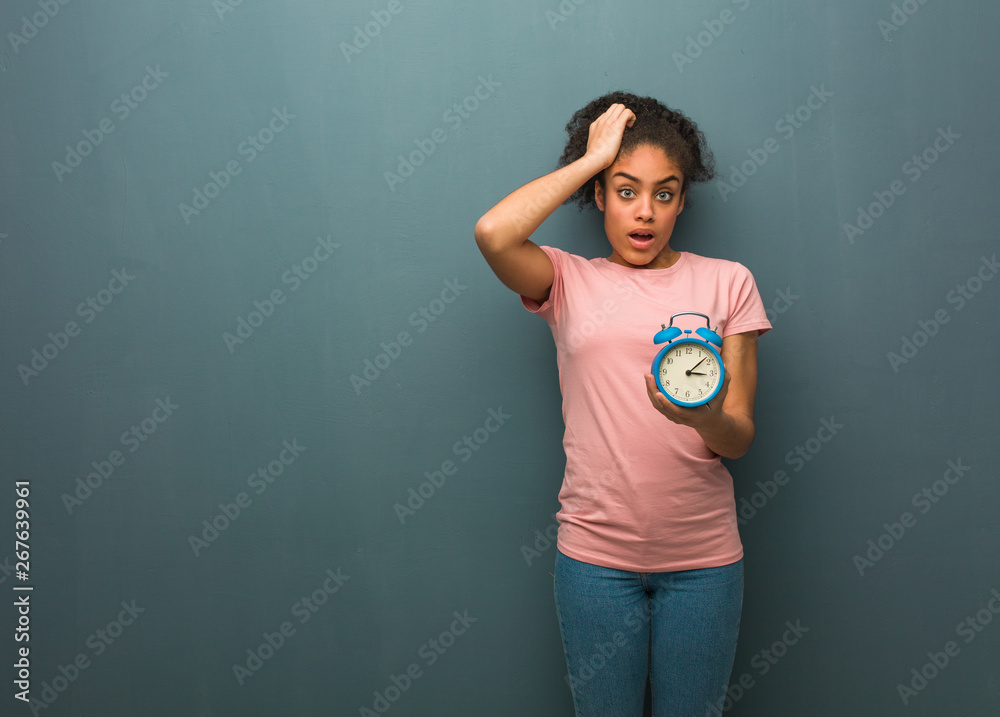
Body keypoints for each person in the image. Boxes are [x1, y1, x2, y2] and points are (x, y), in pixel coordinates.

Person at [474, 91, 773, 716]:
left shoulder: (728, 281)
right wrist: (593, 158)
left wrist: (701, 415)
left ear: (682, 201)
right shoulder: (568, 280)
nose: (646, 213)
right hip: (595, 558)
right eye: (625, 189)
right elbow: (494, 234)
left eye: (664, 193)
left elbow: (738, 437)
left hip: (704, 562)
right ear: (601, 197)